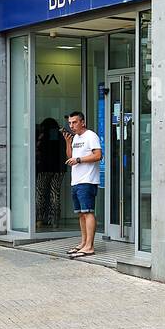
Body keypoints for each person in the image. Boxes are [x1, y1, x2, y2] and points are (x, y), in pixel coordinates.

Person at [64, 110, 102, 257]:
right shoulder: (76, 138)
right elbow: (71, 157)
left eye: (74, 122)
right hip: (76, 181)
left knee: (88, 212)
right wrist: (68, 142)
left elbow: (98, 155)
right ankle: (83, 243)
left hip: (88, 181)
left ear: (82, 122)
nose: (72, 126)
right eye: (70, 123)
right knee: (81, 214)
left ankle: (89, 246)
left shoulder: (91, 136)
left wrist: (79, 160)